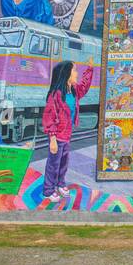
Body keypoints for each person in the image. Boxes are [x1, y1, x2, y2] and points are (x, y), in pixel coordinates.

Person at [41, 60, 96, 203]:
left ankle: (60, 184)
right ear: (66, 74)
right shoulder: (56, 95)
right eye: (75, 70)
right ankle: (48, 190)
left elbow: (84, 86)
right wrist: (52, 139)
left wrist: (89, 69)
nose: (76, 73)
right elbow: (49, 117)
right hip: (57, 136)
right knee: (53, 163)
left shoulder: (73, 90)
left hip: (66, 136)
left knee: (63, 162)